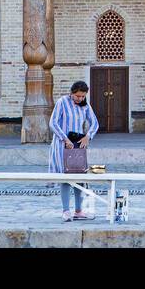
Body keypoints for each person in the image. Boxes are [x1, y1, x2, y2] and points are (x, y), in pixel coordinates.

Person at [49, 80, 100, 221]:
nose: (80, 99)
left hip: (78, 145)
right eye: (78, 96)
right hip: (63, 144)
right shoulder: (62, 102)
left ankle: (79, 210)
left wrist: (88, 136)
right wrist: (65, 139)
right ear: (72, 93)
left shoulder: (85, 106)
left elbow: (95, 123)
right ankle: (66, 211)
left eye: (83, 96)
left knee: (79, 177)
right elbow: (53, 122)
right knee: (66, 177)